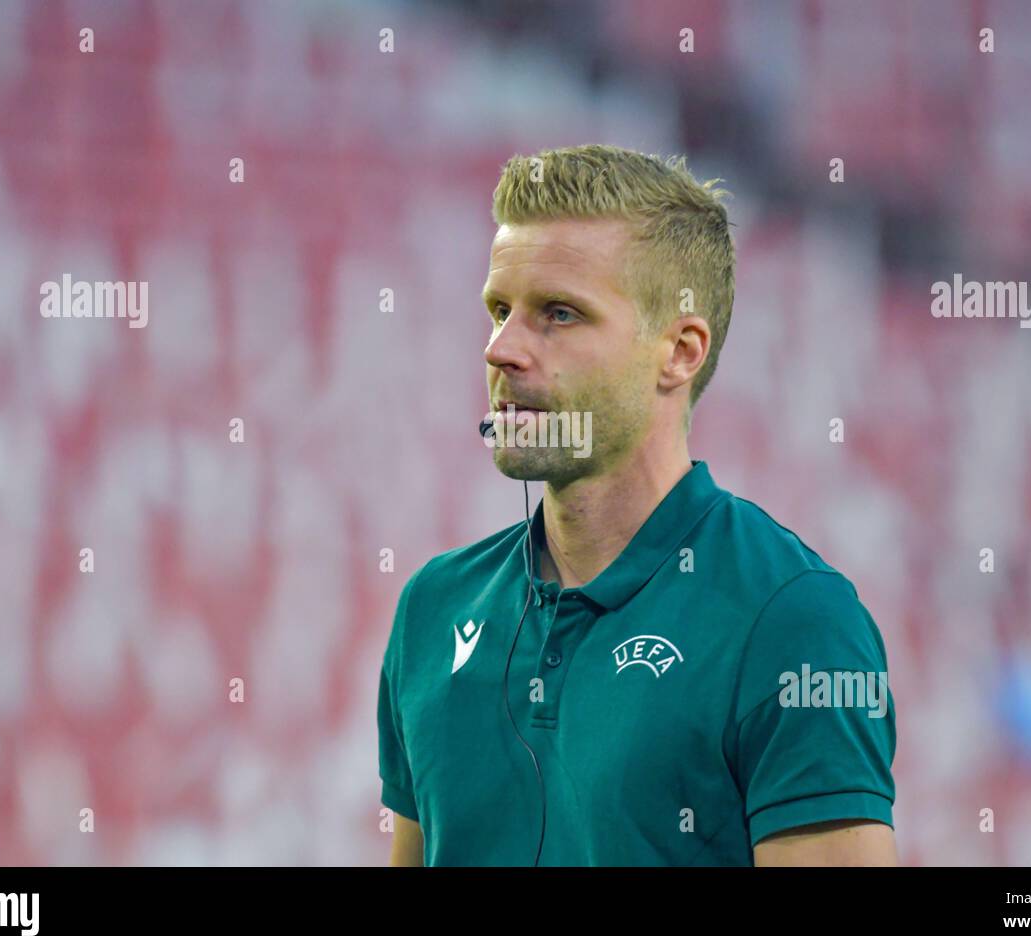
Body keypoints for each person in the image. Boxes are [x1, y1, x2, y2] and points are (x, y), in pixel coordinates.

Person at [378, 144, 897, 866]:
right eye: (500, 310)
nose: (501, 349)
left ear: (680, 351)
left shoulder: (794, 619)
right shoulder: (433, 608)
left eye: (559, 314)